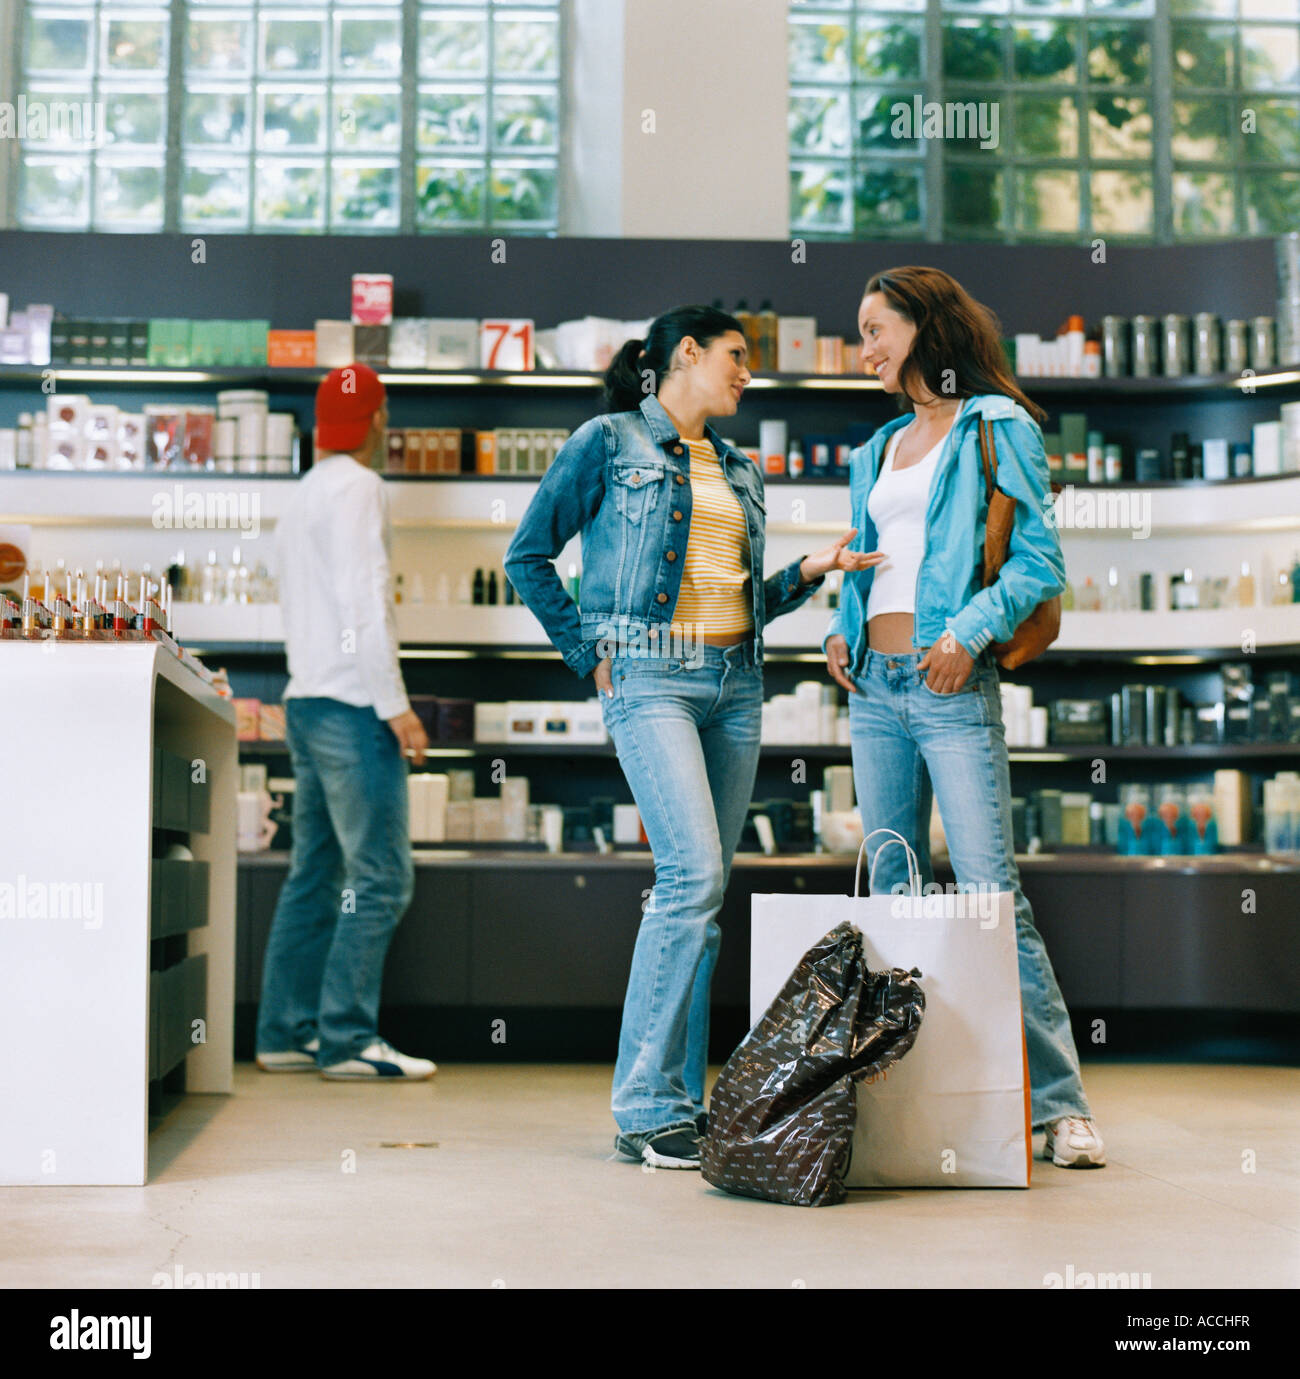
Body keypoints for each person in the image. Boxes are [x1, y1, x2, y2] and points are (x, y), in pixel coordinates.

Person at [506, 306, 879, 1169]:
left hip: (736, 685)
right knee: (692, 875)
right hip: (648, 675)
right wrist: (586, 650)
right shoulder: (607, 442)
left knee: (703, 901)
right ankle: (642, 1108)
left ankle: (681, 1099)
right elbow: (528, 554)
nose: (749, 372)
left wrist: (806, 575)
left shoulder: (742, 468)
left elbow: (744, 599)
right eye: (737, 356)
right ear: (685, 354)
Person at [824, 266, 1105, 1168]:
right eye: (859, 334)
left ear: (923, 325)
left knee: (992, 899)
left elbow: (1037, 561)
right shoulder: (876, 448)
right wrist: (840, 628)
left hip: (951, 689)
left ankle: (1060, 1107)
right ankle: (922, 1103)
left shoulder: (997, 426)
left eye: (875, 330)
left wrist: (969, 632)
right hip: (877, 689)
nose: (862, 350)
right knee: (894, 901)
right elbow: (870, 559)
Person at [255, 363, 435, 1082]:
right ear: (376, 421)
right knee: (383, 875)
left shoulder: (300, 496)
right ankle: (348, 1037)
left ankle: (283, 1030)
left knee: (315, 872)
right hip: (354, 705)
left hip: (305, 699)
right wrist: (395, 706)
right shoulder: (362, 487)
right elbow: (366, 602)